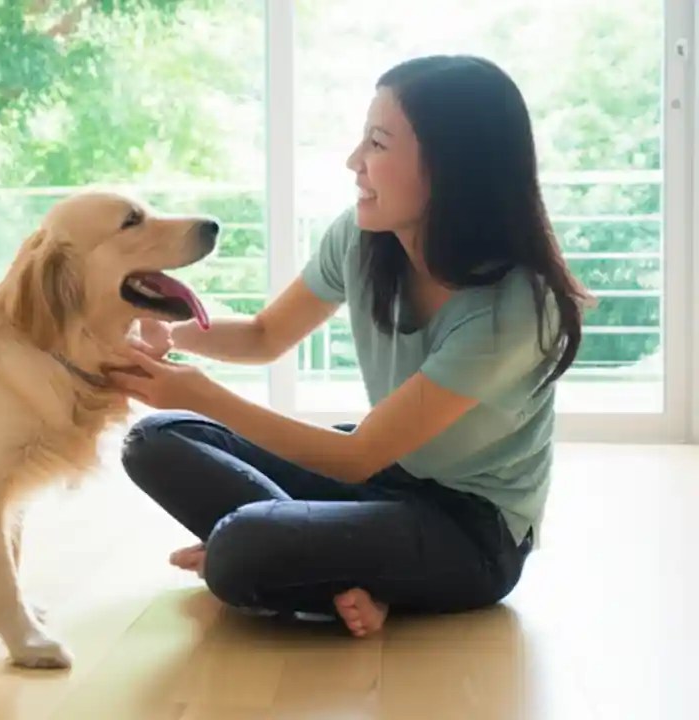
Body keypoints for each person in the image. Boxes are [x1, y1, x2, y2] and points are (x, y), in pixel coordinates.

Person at [109, 54, 589, 638]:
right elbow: (264, 335)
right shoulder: (364, 239)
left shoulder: (514, 306)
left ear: (451, 166)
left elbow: (358, 455)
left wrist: (204, 392)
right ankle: (341, 567)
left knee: (238, 548)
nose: (354, 162)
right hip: (385, 479)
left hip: (472, 533)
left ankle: (305, 554)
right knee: (156, 441)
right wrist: (171, 327)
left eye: (378, 144)